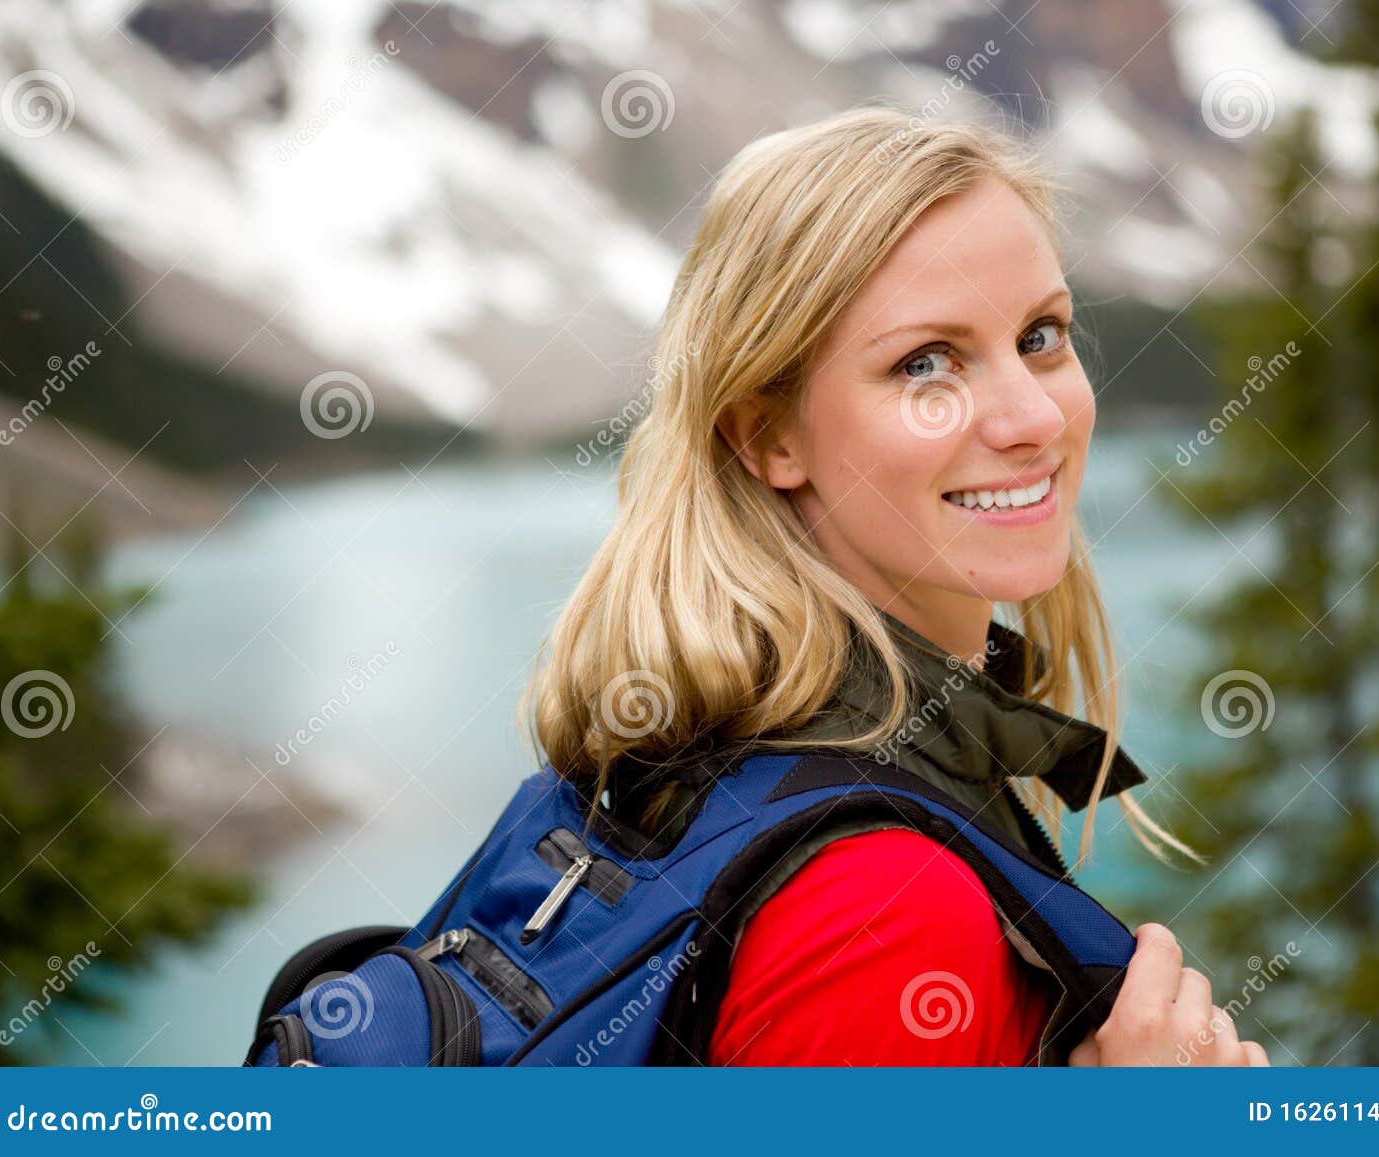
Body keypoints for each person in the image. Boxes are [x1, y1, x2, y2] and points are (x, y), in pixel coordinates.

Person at [520, 104, 1270, 1067]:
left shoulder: (664, 757)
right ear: (767, 435)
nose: (1034, 415)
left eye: (1042, 335)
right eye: (927, 363)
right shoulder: (879, 914)